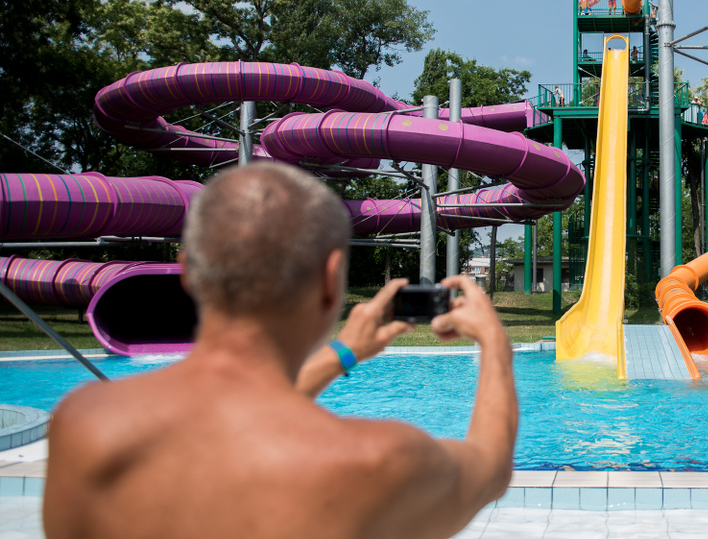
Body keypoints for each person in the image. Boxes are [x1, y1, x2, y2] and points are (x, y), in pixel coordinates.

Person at [43, 162, 518, 539]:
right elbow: (489, 469)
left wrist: (343, 354)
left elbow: (233, 426)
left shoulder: (85, 425)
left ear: (187, 272)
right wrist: (495, 343)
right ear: (332, 280)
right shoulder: (375, 460)